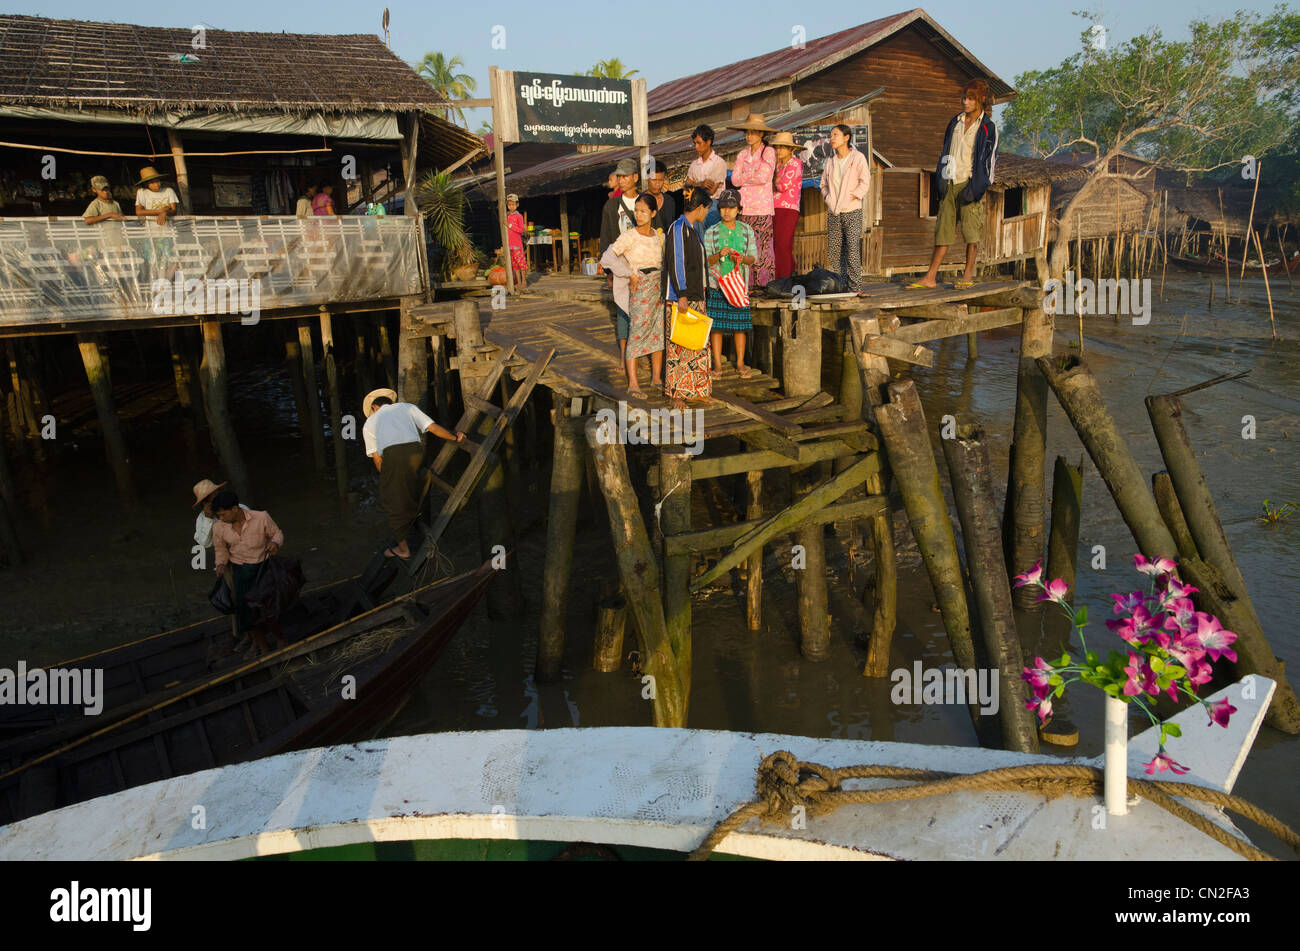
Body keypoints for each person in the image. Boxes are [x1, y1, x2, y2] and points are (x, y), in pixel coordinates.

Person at [910, 79, 998, 290]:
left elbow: (990, 162)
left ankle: (967, 276)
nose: (965, 102)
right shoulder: (955, 122)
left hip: (970, 184)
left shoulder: (988, 128)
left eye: (971, 99)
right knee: (943, 232)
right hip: (949, 182)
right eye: (964, 98)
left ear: (981, 100)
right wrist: (941, 181)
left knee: (971, 234)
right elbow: (945, 152)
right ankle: (930, 277)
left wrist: (977, 189)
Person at [362, 388, 465, 560]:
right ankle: (413, 515)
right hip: (417, 452)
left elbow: (377, 460)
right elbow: (432, 427)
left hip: (394, 456)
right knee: (411, 485)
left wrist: (388, 478)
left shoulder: (369, 423)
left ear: (373, 407)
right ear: (389, 402)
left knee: (390, 500)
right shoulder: (406, 407)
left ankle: (403, 549)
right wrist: (455, 438)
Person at [209, 490, 283, 656]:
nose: (221, 518)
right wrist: (220, 564)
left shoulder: (261, 517)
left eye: (223, 514)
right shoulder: (219, 527)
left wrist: (275, 543)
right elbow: (220, 549)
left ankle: (280, 638)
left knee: (269, 607)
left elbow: (277, 533)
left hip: (263, 567)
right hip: (240, 571)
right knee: (246, 611)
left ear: (235, 509)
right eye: (218, 515)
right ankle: (263, 646)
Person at [605, 193, 665, 396]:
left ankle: (656, 378)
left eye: (643, 211)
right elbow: (607, 257)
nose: (638, 215)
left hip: (658, 288)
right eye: (636, 211)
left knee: (658, 333)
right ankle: (633, 384)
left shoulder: (659, 236)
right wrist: (628, 274)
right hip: (639, 288)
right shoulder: (629, 236)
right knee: (636, 333)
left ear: (653, 213)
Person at [662, 187, 712, 409]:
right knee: (678, 346)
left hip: (696, 295)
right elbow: (676, 262)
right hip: (682, 297)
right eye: (707, 209)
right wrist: (681, 294)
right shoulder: (678, 228)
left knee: (697, 344)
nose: (707, 213)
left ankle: (696, 389)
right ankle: (676, 393)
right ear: (700, 207)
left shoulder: (692, 230)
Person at [704, 189, 756, 380]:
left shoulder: (747, 231)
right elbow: (706, 261)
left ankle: (740, 363)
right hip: (717, 285)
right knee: (716, 328)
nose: (727, 211)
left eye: (731, 207)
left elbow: (753, 257)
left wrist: (742, 259)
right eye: (723, 207)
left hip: (738, 286)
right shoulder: (711, 232)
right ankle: (717, 365)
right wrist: (719, 255)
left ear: (739, 209)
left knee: (740, 327)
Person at [727, 114, 777, 289]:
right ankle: (747, 285)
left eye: (753, 132)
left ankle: (765, 284)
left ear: (761, 134)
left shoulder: (768, 152)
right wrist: (752, 174)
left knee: (763, 249)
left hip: (762, 208)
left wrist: (745, 176)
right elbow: (734, 180)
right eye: (747, 132)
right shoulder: (742, 154)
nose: (749, 136)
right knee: (746, 247)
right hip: (745, 207)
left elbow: (764, 177)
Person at [599, 158, 642, 360]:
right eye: (619, 176)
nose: (621, 180)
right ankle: (625, 355)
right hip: (620, 263)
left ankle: (641, 353)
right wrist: (608, 271)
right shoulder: (611, 205)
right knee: (623, 308)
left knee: (642, 308)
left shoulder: (645, 202)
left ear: (635, 177)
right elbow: (606, 236)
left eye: (625, 176)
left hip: (642, 262)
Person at [820, 125, 870, 293]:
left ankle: (856, 287)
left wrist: (855, 195)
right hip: (834, 212)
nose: (832, 138)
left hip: (852, 210)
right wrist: (827, 198)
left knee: (852, 248)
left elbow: (865, 181)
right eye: (831, 135)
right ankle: (843, 284)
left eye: (836, 135)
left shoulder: (857, 157)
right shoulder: (831, 161)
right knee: (834, 251)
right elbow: (823, 184)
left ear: (846, 137)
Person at [684, 125, 727, 242]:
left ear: (708, 142)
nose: (696, 147)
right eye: (695, 143)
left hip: (713, 203)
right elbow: (686, 186)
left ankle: (703, 250)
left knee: (702, 221)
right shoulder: (694, 164)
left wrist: (694, 184)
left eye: (699, 143)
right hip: (696, 202)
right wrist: (700, 184)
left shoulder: (719, 163)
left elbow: (711, 191)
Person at [770, 132, 804, 279]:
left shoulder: (796, 163)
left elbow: (782, 185)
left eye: (783, 147)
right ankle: (788, 276)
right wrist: (775, 181)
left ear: (791, 149)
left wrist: (774, 181)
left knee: (782, 243)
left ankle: (783, 278)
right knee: (778, 244)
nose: (779, 150)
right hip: (774, 207)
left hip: (788, 208)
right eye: (777, 147)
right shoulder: (778, 165)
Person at [192, 478, 249, 549]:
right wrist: (208, 519)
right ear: (203, 503)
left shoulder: (240, 508)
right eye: (206, 500)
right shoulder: (202, 518)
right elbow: (204, 543)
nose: (214, 499)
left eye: (216, 494)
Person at [645, 160, 676, 232]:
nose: (657, 184)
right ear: (647, 178)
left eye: (660, 180)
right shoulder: (639, 201)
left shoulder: (669, 201)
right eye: (654, 180)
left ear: (664, 179)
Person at [506, 194, 528, 288]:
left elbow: (521, 230)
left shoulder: (519, 216)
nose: (511, 206)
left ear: (517, 204)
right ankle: (519, 282)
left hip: (517, 244)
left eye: (513, 204)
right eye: (509, 205)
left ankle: (524, 282)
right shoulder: (507, 216)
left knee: (521, 263)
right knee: (515, 265)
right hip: (509, 245)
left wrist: (510, 225)